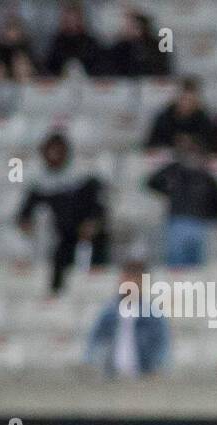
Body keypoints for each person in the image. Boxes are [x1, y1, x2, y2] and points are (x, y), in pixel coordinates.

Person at [16, 131, 110, 294]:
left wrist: (92, 224)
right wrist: (27, 223)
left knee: (94, 271)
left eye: (58, 151)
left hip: (89, 237)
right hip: (63, 238)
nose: (54, 156)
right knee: (57, 270)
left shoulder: (83, 178)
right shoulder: (40, 183)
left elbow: (99, 206)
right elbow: (25, 212)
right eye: (50, 151)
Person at [145, 134, 217, 267]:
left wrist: (215, 218)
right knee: (177, 262)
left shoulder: (207, 177)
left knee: (197, 265)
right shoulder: (175, 171)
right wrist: (168, 192)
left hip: (201, 222)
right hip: (178, 220)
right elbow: (152, 182)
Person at [85, 261, 170, 378]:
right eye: (125, 278)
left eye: (134, 279)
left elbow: (162, 344)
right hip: (112, 376)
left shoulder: (153, 314)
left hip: (142, 375)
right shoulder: (109, 311)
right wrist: (91, 361)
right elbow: (95, 338)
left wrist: (157, 367)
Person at [145, 76, 217, 152]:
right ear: (177, 98)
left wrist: (193, 142)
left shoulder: (203, 119)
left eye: (190, 100)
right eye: (184, 99)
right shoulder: (164, 117)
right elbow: (152, 144)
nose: (186, 103)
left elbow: (211, 145)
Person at [99, 7, 170, 77]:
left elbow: (160, 68)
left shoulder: (156, 45)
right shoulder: (120, 46)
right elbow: (112, 68)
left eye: (134, 26)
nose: (128, 29)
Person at [44, 2, 102, 78]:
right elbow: (50, 67)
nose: (72, 21)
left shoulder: (90, 42)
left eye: (75, 17)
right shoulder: (57, 41)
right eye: (69, 17)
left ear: (80, 19)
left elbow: (98, 66)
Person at [0, 15, 38, 83]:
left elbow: (36, 69)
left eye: (14, 29)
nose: (11, 33)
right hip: (1, 85)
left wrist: (27, 70)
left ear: (20, 31)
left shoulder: (27, 47)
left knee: (22, 66)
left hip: (25, 84)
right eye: (9, 29)